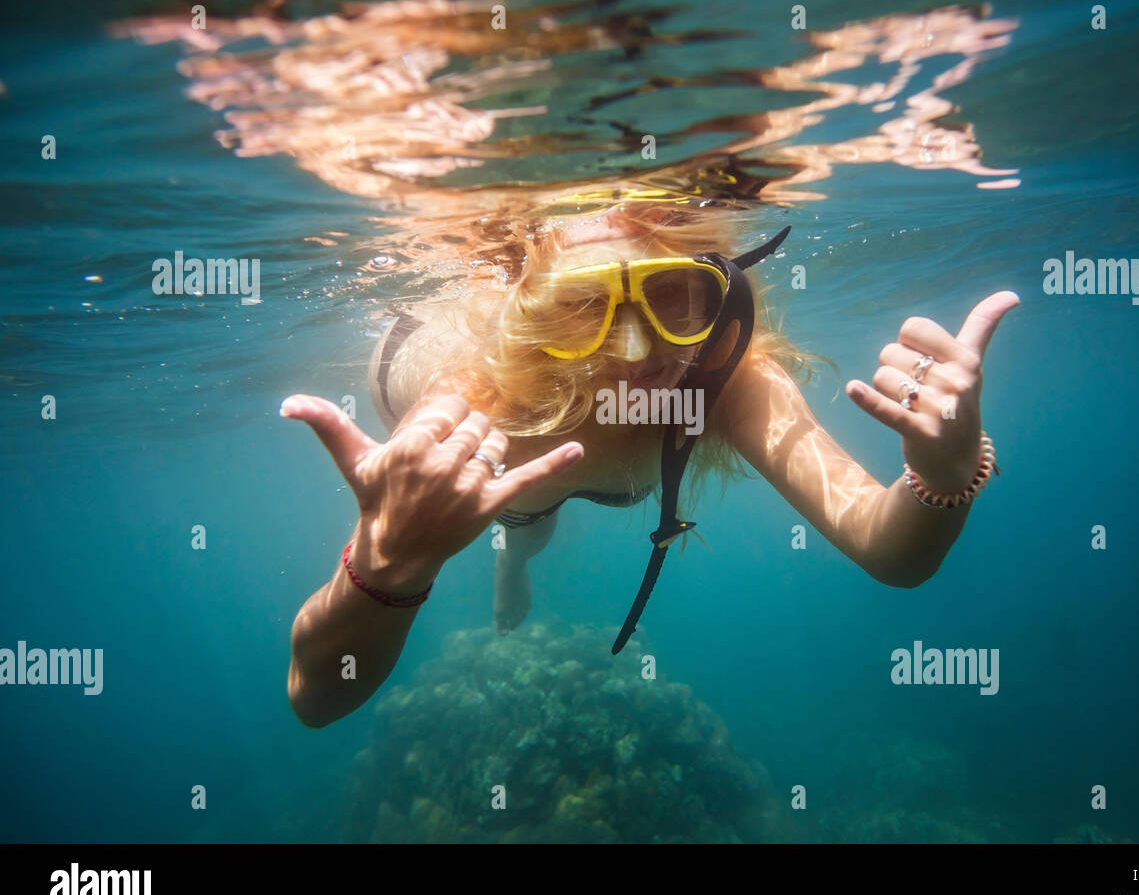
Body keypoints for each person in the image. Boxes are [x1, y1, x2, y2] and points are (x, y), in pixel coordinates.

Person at [281, 201, 1018, 727]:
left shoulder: (723, 377)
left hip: (572, 472)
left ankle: (519, 544)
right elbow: (315, 700)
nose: (637, 354)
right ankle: (516, 556)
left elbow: (887, 549)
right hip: (448, 394)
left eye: (672, 296)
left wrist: (945, 477)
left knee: (528, 511)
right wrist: (390, 563)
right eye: (582, 304)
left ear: (717, 290)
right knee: (523, 515)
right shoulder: (477, 402)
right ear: (530, 310)